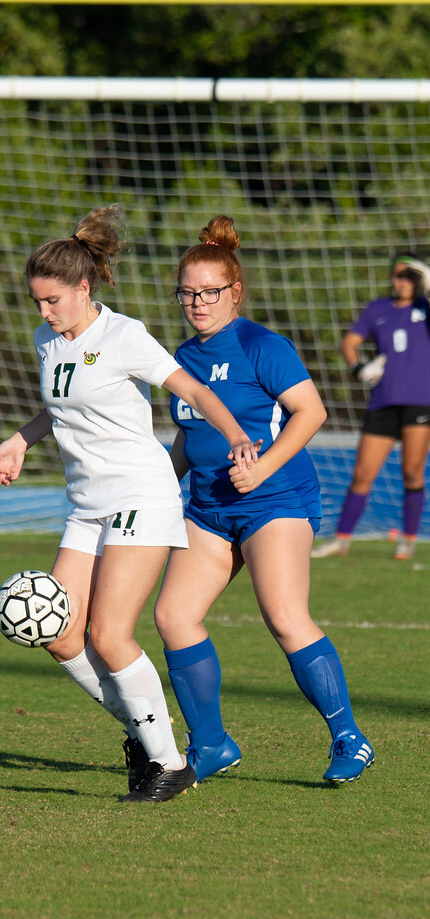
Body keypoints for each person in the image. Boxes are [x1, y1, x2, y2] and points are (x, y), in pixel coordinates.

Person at [0, 204, 260, 802]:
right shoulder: (47, 340)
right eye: (37, 302)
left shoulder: (125, 336)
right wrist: (20, 439)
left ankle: (170, 764)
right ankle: (146, 733)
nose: (44, 313)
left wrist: (237, 434)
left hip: (141, 494)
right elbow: (62, 405)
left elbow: (191, 388)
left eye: (53, 301)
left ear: (83, 289)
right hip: (86, 504)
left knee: (110, 635)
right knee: (59, 634)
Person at [153, 215, 374, 786]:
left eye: (210, 292)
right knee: (174, 616)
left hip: (276, 499)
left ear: (235, 291)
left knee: (283, 616)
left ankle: (350, 737)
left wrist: (264, 467)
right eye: (188, 292)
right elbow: (188, 434)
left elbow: (312, 412)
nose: (198, 303)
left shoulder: (260, 344)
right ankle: (212, 744)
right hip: (207, 506)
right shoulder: (182, 356)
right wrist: (160, 482)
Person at [312, 254, 430, 561]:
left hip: (420, 401)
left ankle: (407, 540)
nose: (402, 281)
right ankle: (342, 539)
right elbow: (348, 343)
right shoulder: (378, 308)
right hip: (383, 402)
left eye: (410, 276)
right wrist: (358, 368)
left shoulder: (424, 308)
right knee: (363, 472)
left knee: (412, 471)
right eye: (398, 275)